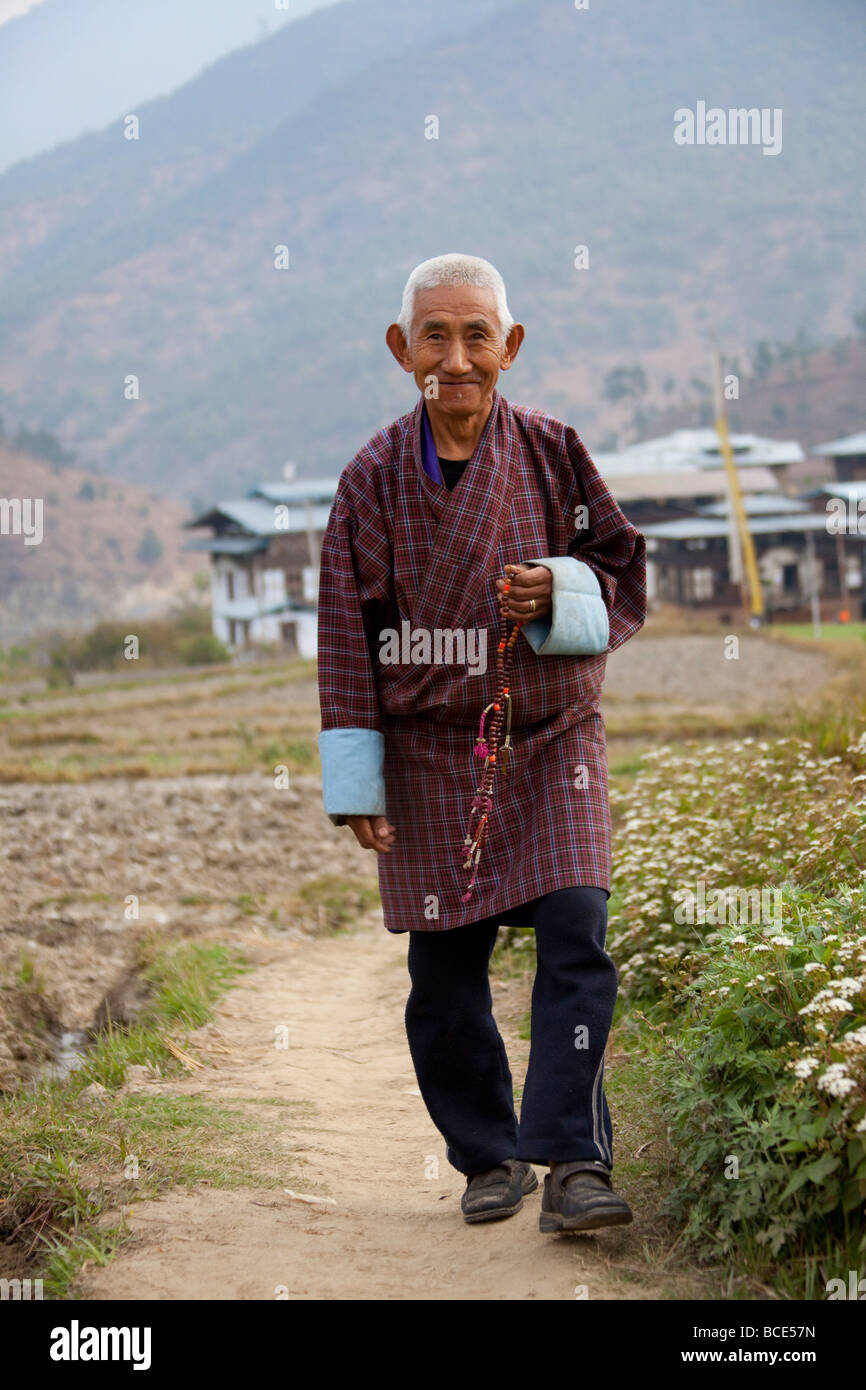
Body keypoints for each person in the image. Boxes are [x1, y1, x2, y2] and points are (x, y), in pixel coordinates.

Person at [317, 253, 646, 1232]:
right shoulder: (370, 480)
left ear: (508, 346)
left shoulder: (553, 453)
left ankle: (577, 1159)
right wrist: (356, 776)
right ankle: (486, 1153)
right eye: (433, 336)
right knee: (443, 965)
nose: (454, 358)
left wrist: (561, 587)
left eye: (475, 336)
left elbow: (621, 570)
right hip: (426, 756)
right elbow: (345, 631)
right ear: (399, 349)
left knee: (577, 925)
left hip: (550, 741)